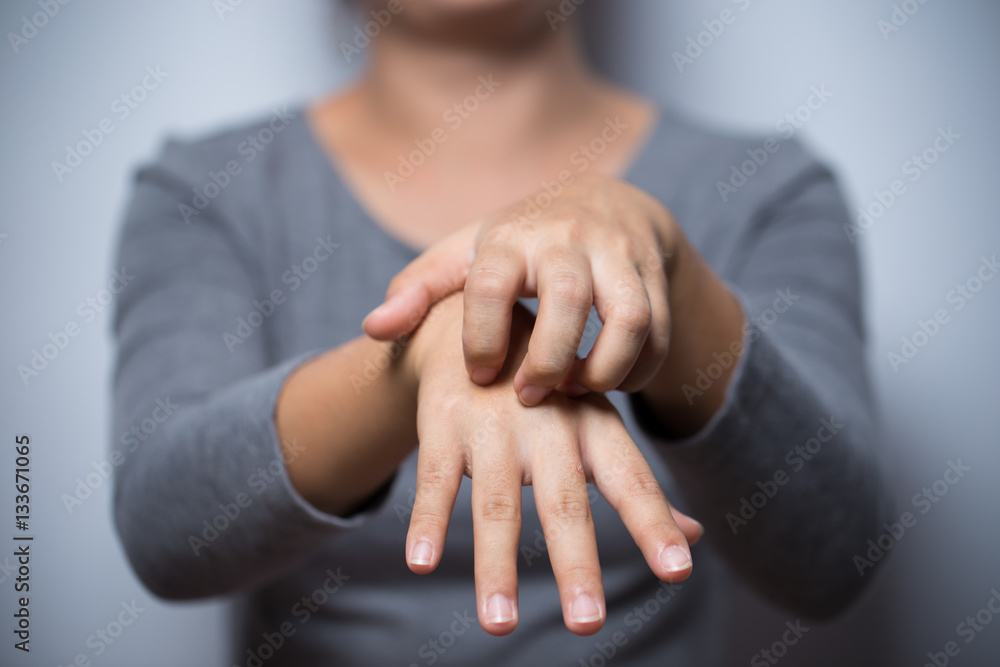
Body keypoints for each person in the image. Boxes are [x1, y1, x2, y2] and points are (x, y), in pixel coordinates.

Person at [111, 0, 891, 664]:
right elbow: (167, 531)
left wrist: (668, 266)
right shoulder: (209, 191)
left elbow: (832, 554)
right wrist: (422, 359)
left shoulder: (764, 190)